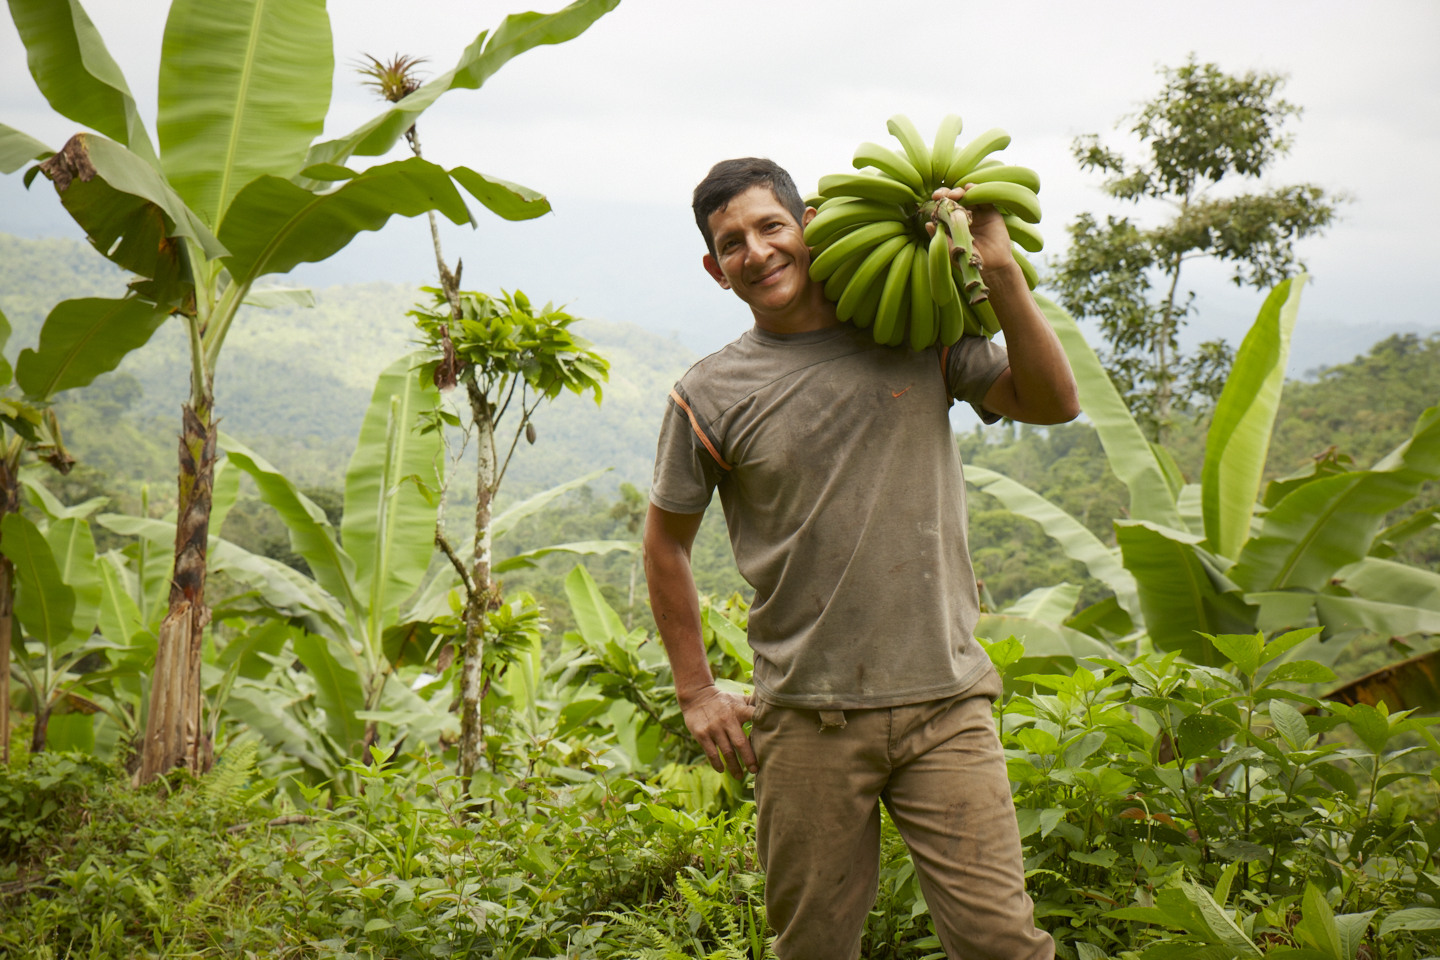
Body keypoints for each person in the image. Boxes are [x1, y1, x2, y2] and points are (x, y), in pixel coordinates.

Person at [642, 156, 1078, 960]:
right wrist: (696, 689)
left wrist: (999, 270)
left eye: (771, 227)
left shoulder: (914, 332)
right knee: (813, 948)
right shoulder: (710, 393)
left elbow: (1053, 402)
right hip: (806, 719)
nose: (757, 252)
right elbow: (665, 541)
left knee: (1003, 945)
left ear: (808, 227)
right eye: (732, 243)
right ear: (715, 269)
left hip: (947, 705)